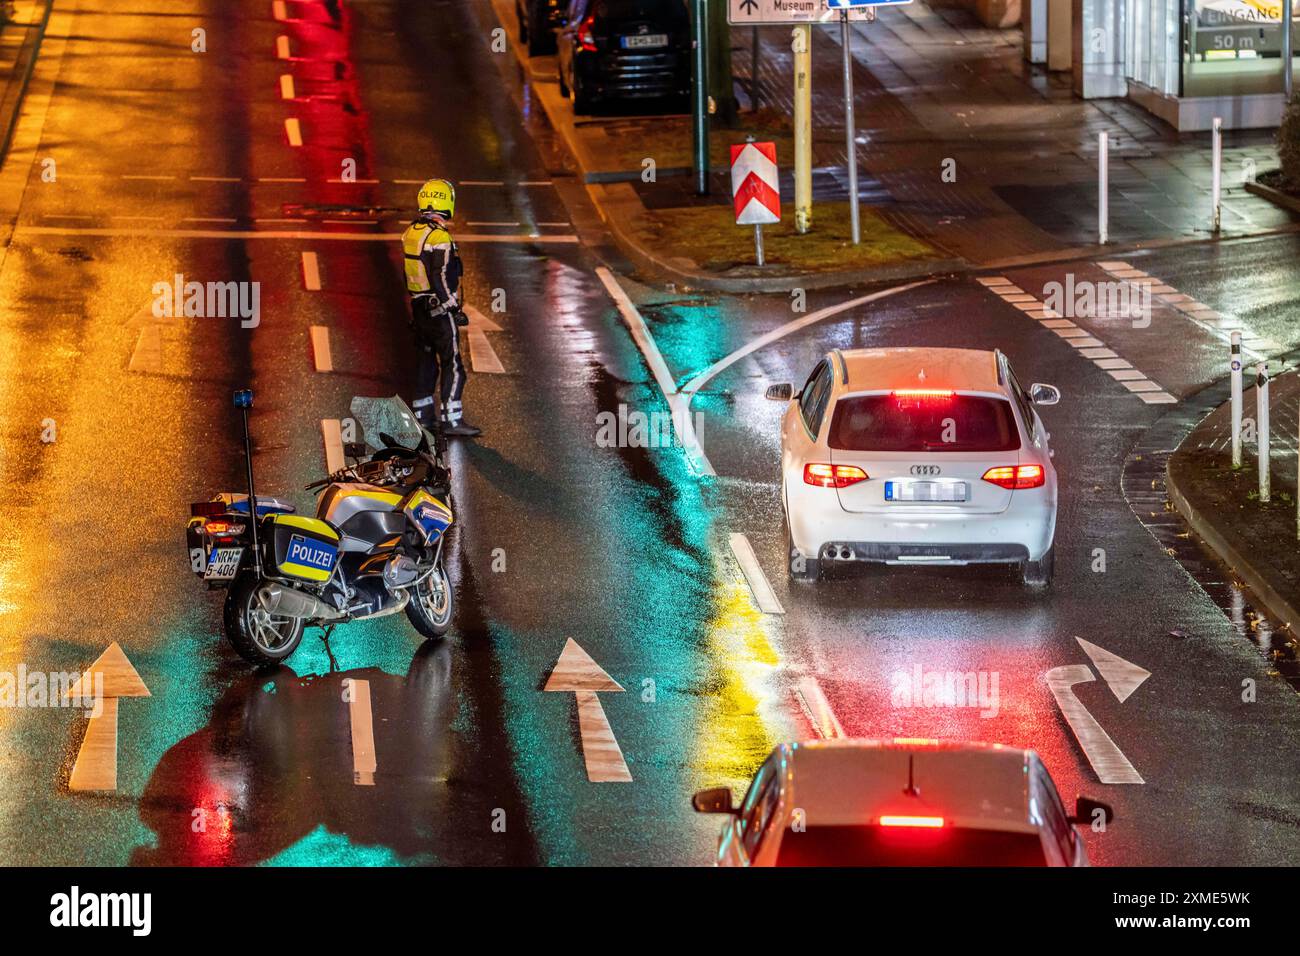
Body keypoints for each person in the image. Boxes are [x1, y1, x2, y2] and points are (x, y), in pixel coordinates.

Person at [401, 178, 481, 437]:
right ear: (447, 202)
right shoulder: (440, 237)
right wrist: (452, 306)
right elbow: (442, 276)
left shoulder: (411, 233)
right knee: (453, 363)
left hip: (419, 307)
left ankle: (423, 417)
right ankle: (452, 420)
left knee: (426, 362)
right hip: (438, 312)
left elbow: (410, 272)